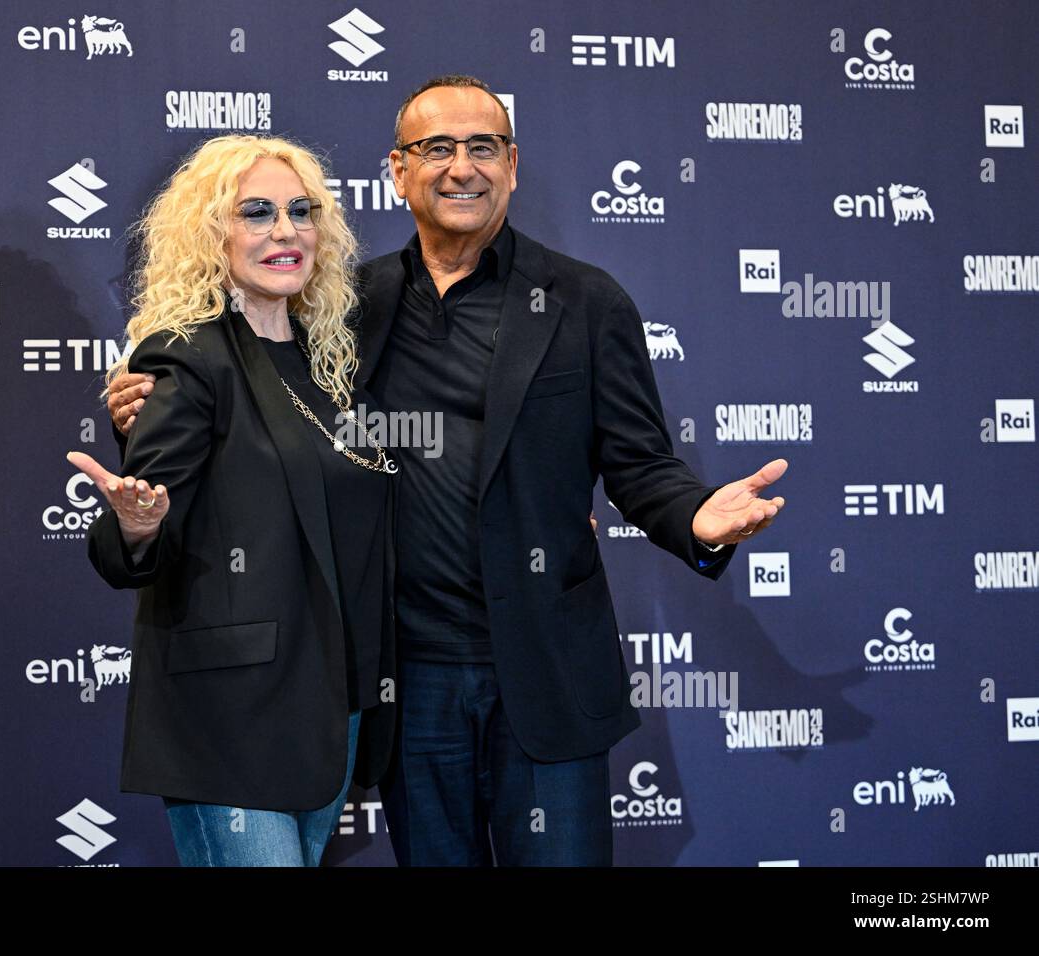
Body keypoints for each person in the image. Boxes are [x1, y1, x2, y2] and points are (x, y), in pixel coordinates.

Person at [108, 76, 788, 866]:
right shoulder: (346, 309)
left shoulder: (586, 302)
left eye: (482, 147)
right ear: (399, 171)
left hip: (549, 669)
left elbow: (640, 463)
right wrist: (138, 405)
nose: (461, 166)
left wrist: (698, 518)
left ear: (512, 165)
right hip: (406, 674)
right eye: (437, 148)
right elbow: (239, 389)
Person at [68, 134, 397, 866]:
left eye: (300, 212)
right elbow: (126, 539)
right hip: (230, 711)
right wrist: (138, 525)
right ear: (213, 235)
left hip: (332, 702)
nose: (285, 231)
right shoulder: (184, 357)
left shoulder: (334, 367)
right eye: (256, 212)